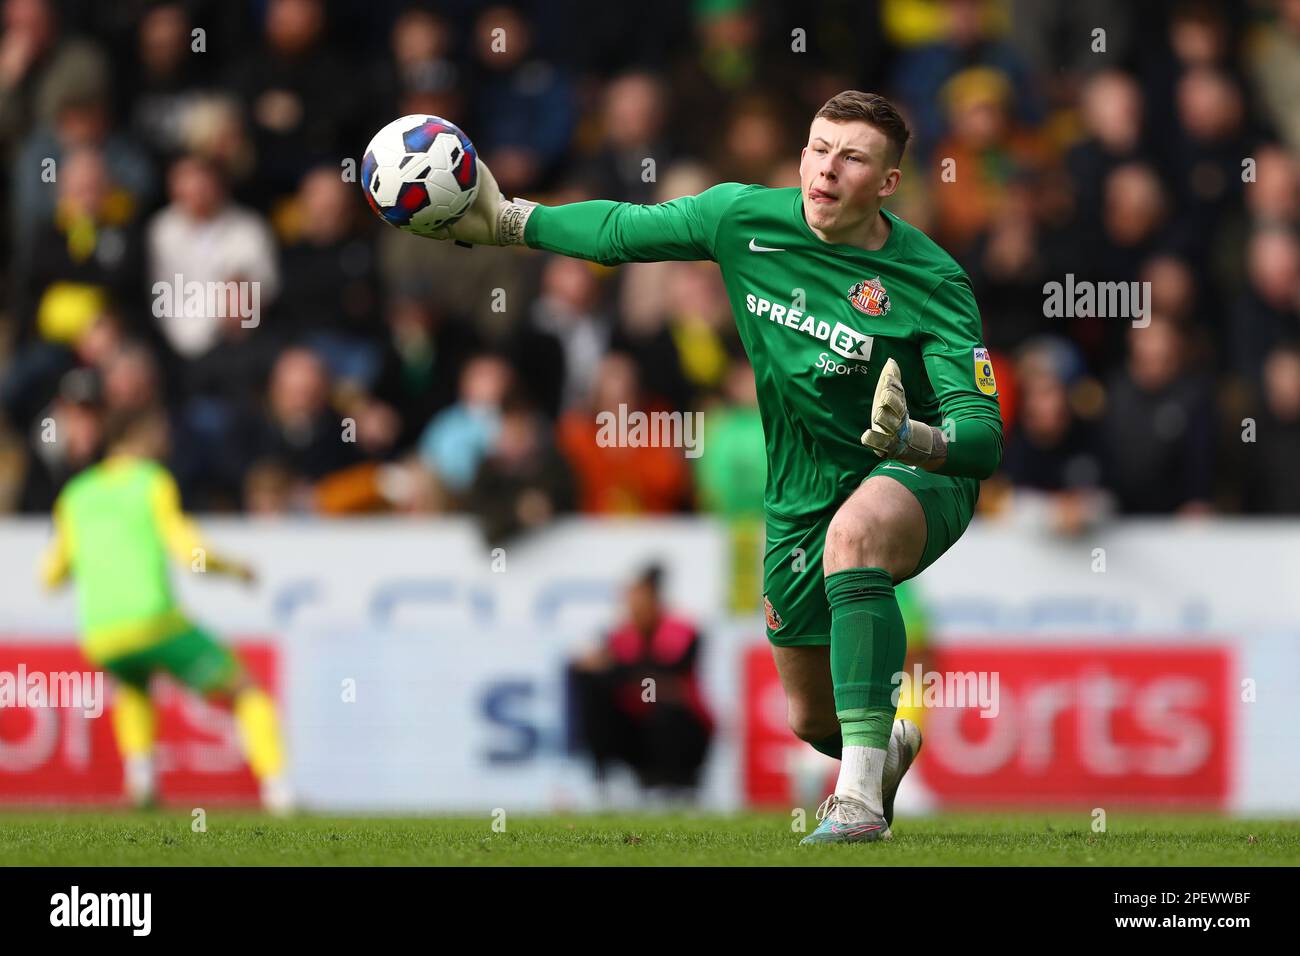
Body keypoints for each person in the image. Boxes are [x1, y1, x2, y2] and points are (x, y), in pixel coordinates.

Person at [425, 90, 1003, 842]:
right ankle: (879, 748)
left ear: (888, 182)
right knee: (809, 716)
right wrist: (509, 221)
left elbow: (983, 437)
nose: (827, 170)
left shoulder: (933, 280)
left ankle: (857, 804)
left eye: (853, 157)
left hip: (919, 473)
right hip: (800, 489)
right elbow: (619, 232)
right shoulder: (744, 220)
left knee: (856, 537)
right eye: (818, 148)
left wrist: (914, 440)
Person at [38, 406, 290, 812]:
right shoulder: (152, 481)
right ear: (139, 433)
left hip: (100, 633)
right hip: (154, 620)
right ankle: (280, 792)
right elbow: (192, 552)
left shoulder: (77, 493)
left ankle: (141, 784)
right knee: (247, 689)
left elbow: (50, 576)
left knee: (135, 685)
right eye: (160, 428)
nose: (167, 437)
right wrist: (237, 569)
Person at [569, 565, 712, 800]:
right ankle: (603, 777)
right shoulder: (620, 636)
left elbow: (664, 669)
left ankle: (672, 782)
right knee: (593, 688)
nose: (633, 605)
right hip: (636, 730)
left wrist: (616, 667)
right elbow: (614, 672)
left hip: (683, 730)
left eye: (640, 597)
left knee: (661, 700)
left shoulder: (681, 630)